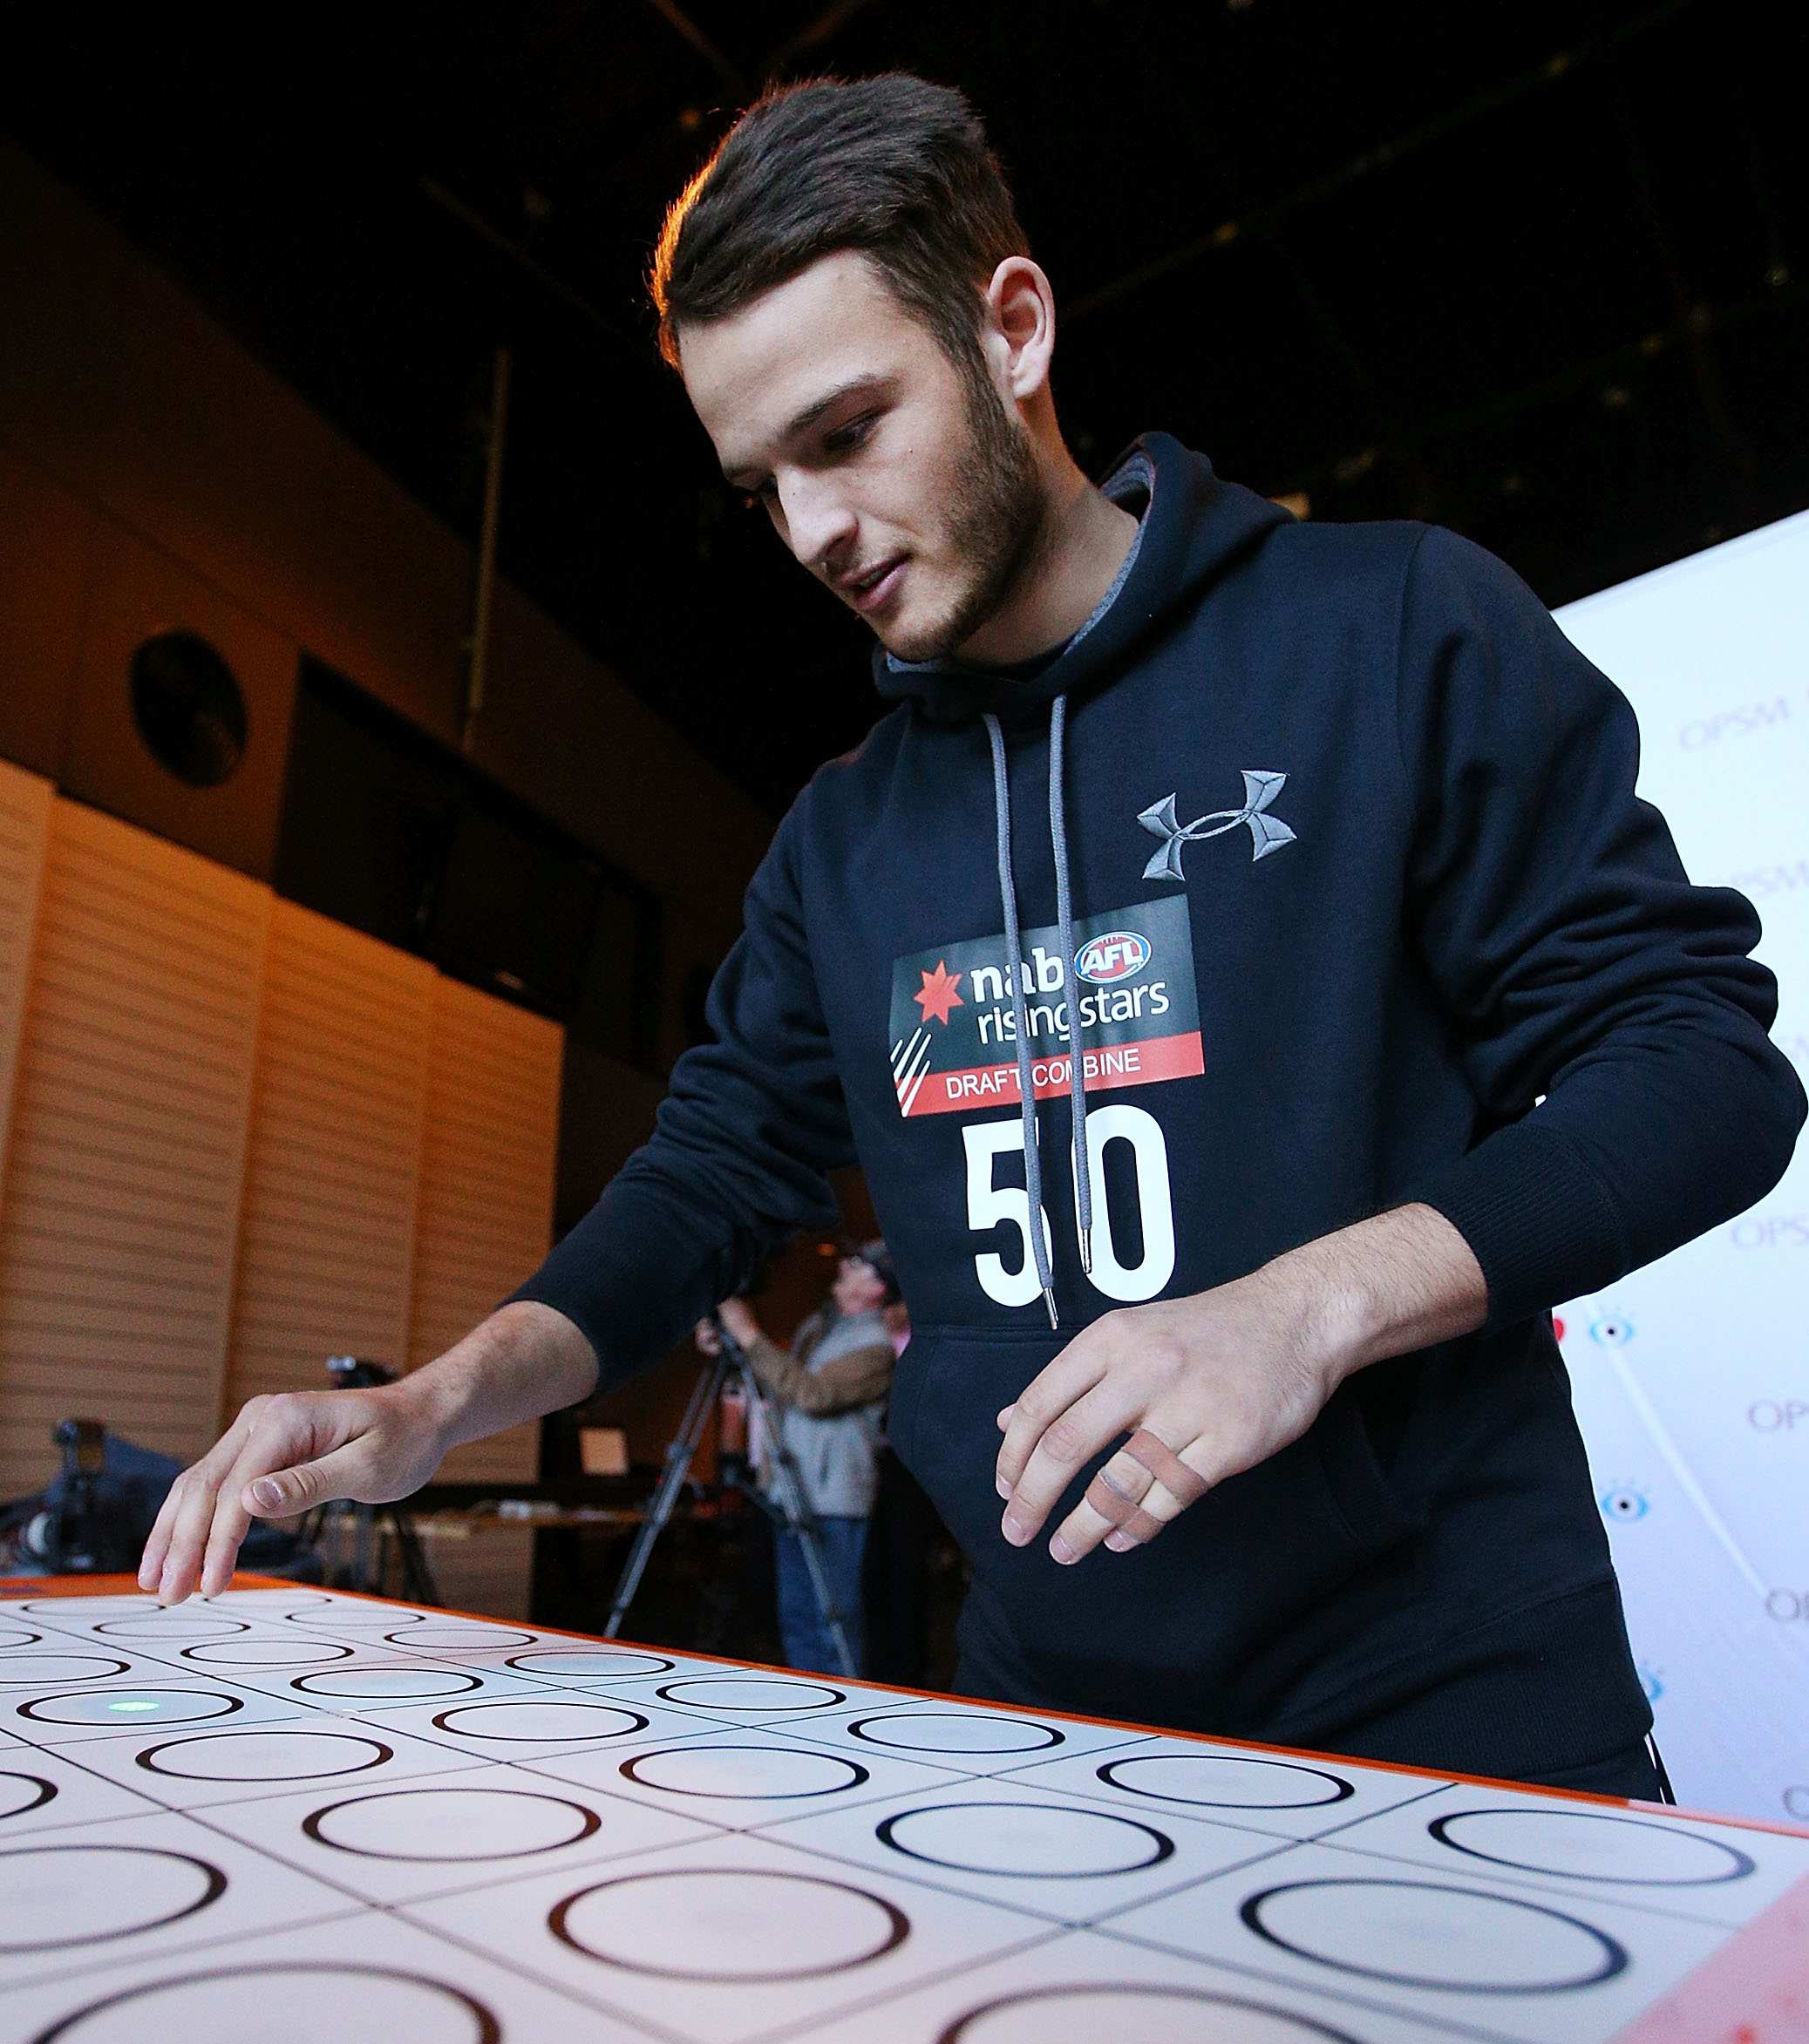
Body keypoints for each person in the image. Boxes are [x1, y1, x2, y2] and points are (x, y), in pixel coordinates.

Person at [144, 75, 1804, 1804]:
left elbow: (1697, 1067)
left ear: (1011, 329)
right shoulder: (842, 840)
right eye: (761, 485)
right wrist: (437, 1402)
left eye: (846, 431)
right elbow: (706, 1180)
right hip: (1041, 1712)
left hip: (1445, 1689)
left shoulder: (1388, 630)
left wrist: (1305, 1308)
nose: (812, 532)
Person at [699, 1244, 896, 1673]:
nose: (843, 1265)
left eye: (857, 1264)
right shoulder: (818, 1326)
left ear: (878, 1288)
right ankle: (808, 1695)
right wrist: (730, 1340)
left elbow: (813, 1395)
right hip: (791, 1492)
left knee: (834, 1620)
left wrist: (749, 1334)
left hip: (834, 1500)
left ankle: (845, 1700)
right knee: (797, 1616)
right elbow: (780, 1385)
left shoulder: (876, 1347)